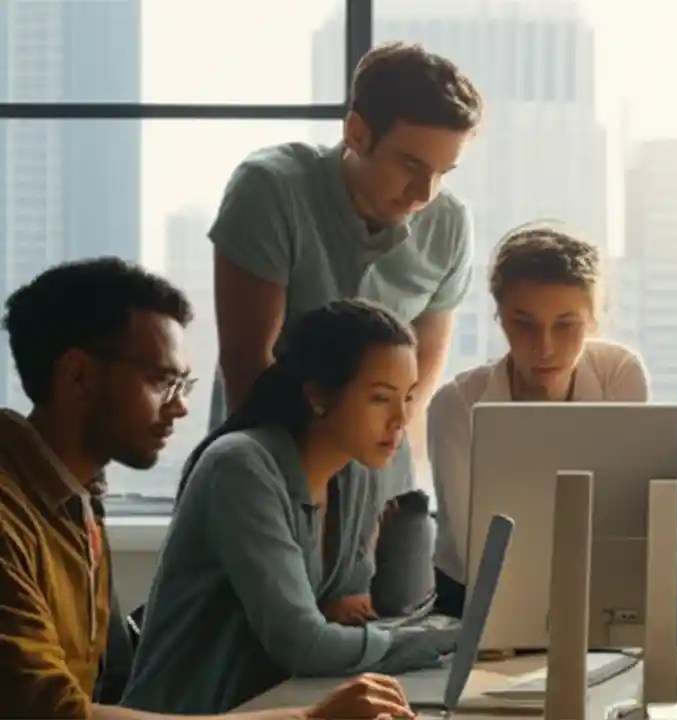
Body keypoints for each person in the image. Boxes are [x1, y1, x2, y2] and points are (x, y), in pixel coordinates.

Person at [0, 259, 412, 719]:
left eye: (184, 384)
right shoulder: (11, 514)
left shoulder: (74, 498)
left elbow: (105, 685)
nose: (179, 408)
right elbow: (55, 714)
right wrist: (306, 719)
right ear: (78, 376)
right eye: (162, 382)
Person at [209, 41, 483, 615]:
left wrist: (372, 484)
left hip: (382, 471)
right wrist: (295, 507)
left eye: (442, 172)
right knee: (289, 645)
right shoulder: (271, 189)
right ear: (356, 132)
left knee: (405, 642)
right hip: (276, 459)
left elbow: (422, 372)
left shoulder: (449, 224)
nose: (424, 193)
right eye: (411, 164)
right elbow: (247, 367)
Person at [123, 299, 456, 714]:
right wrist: (440, 640)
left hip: (286, 703)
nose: (400, 419)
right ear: (318, 395)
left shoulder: (357, 470)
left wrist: (342, 628)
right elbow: (304, 644)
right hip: (197, 711)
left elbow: (347, 613)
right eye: (379, 399)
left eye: (407, 397)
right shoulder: (242, 467)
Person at [428, 221, 649, 616]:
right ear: (499, 316)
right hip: (475, 594)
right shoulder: (457, 405)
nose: (544, 348)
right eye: (523, 323)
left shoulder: (619, 374)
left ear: (594, 319)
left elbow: (626, 508)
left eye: (566, 325)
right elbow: (470, 543)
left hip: (591, 584)